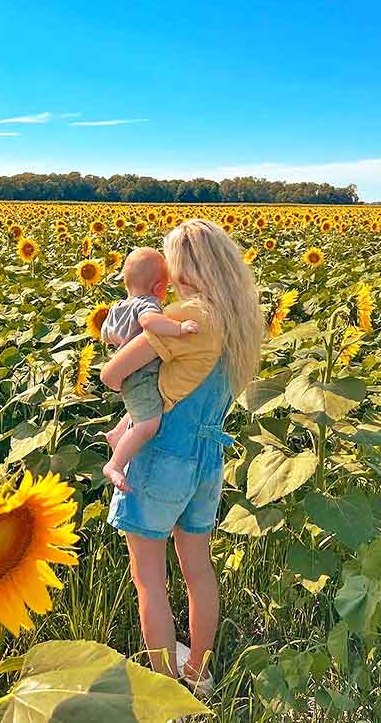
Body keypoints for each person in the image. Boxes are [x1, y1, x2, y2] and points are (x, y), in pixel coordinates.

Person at [100, 219, 263, 697]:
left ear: (183, 265)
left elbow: (114, 373)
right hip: (208, 456)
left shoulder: (187, 314)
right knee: (197, 568)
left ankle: (165, 688)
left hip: (162, 455)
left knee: (149, 578)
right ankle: (198, 672)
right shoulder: (237, 320)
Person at [100, 247, 199, 493]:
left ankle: (116, 434)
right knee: (148, 425)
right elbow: (148, 322)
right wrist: (179, 327)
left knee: (143, 407)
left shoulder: (118, 307)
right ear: (158, 288)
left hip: (130, 372)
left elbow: (107, 334)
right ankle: (115, 464)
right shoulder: (148, 304)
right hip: (140, 373)